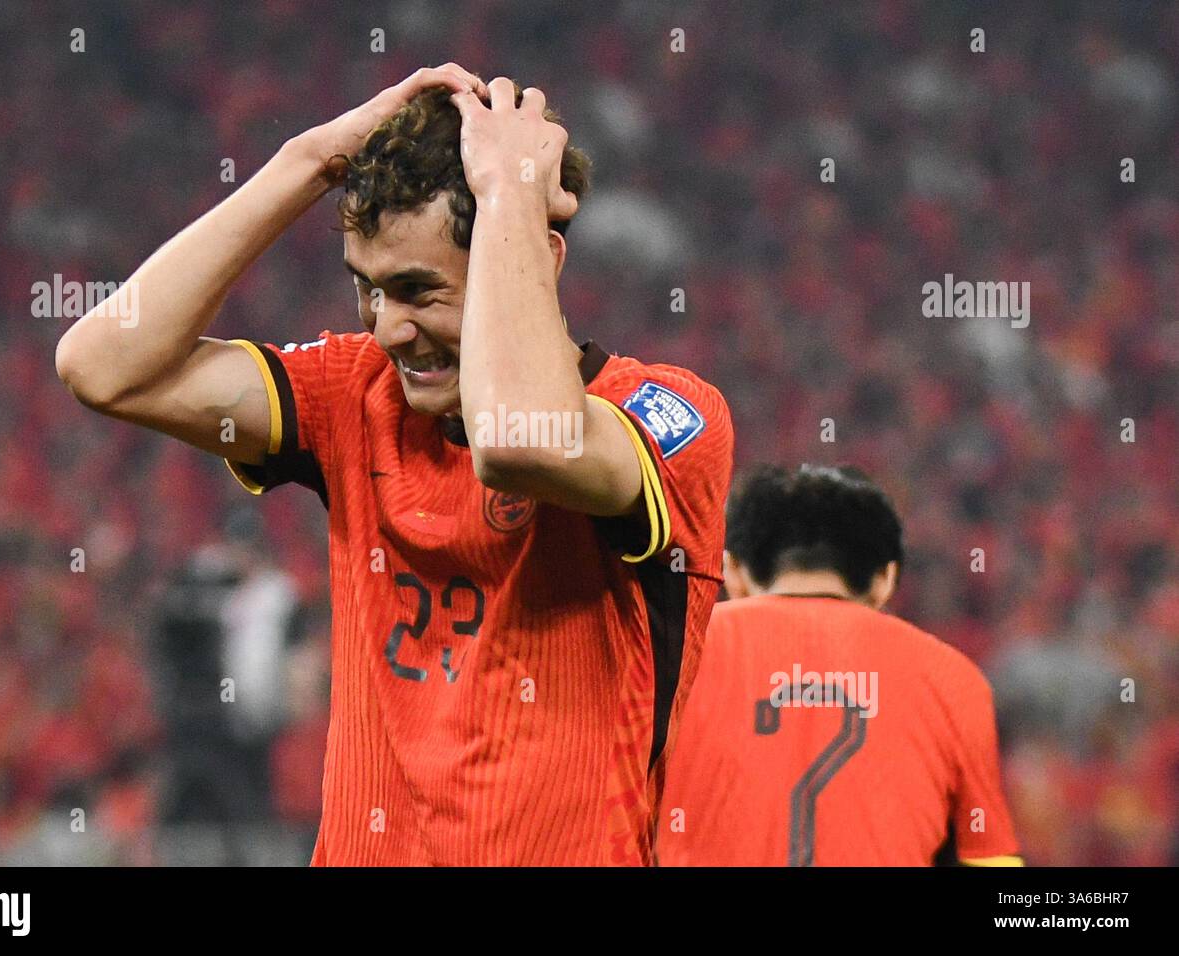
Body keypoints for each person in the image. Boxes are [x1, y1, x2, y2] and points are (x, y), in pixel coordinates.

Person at [56, 65, 733, 865]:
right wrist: (306, 162)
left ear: (537, 257)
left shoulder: (667, 416)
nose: (387, 329)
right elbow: (102, 365)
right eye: (368, 290)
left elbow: (516, 439)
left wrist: (509, 196)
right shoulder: (354, 397)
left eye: (417, 291)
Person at [658, 464, 1021, 866]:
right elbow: (989, 859)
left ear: (733, 572)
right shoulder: (953, 677)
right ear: (885, 579)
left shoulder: (675, 653)